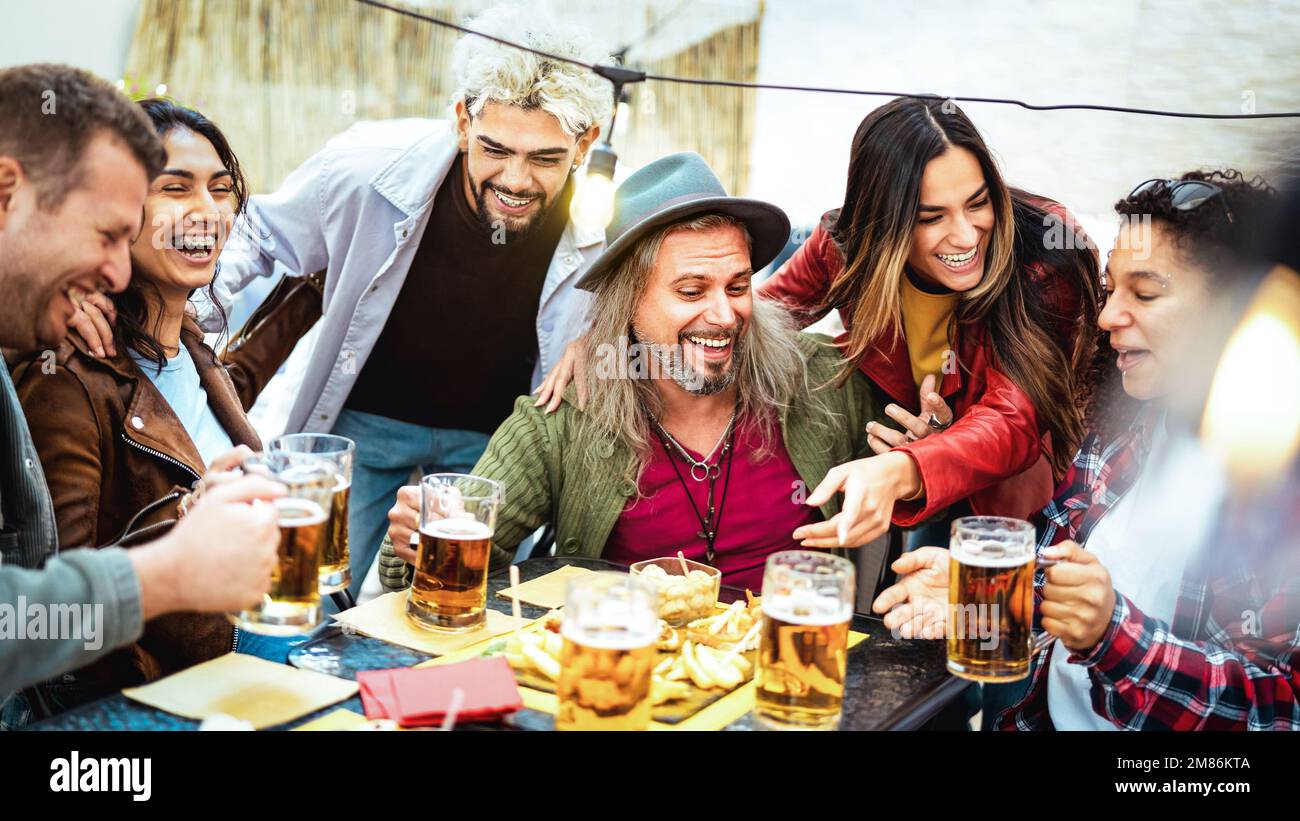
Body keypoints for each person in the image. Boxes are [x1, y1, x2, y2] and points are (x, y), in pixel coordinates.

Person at [538, 96, 1102, 552]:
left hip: (1008, 500)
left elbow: (1015, 417)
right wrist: (618, 338)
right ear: (883, 219)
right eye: (930, 217)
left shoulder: (1044, 251)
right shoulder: (844, 245)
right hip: (902, 472)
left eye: (978, 203)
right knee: (917, 643)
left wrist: (914, 463)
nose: (964, 235)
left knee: (1003, 657)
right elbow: (753, 317)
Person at [201, 5, 611, 597]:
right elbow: (258, 235)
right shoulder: (367, 167)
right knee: (301, 589)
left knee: (459, 604)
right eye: (496, 149)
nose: (517, 180)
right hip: (361, 425)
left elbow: (654, 304)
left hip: (492, 444)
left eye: (545, 158)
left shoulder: (608, 214)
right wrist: (181, 319)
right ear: (463, 123)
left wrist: (600, 339)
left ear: (584, 143)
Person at [873, 170, 1300, 730]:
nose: (1106, 318)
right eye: (1108, 291)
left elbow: (1282, 707)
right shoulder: (1128, 430)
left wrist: (1113, 637)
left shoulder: (1280, 494)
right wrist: (978, 586)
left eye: (1145, 293)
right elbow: (1053, 571)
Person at [375, 152, 886, 593]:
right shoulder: (561, 419)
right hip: (631, 684)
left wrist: (919, 454)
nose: (725, 315)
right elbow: (451, 566)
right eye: (690, 291)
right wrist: (419, 540)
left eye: (736, 286)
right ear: (629, 303)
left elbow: (933, 469)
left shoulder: (821, 380)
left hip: (793, 680)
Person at [9, 99, 320, 711]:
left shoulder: (195, 351)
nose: (206, 211)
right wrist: (183, 524)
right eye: (174, 188)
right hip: (174, 688)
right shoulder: (68, 377)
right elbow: (54, 618)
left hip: (264, 630)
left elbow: (225, 387)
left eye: (221, 190)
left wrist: (320, 286)